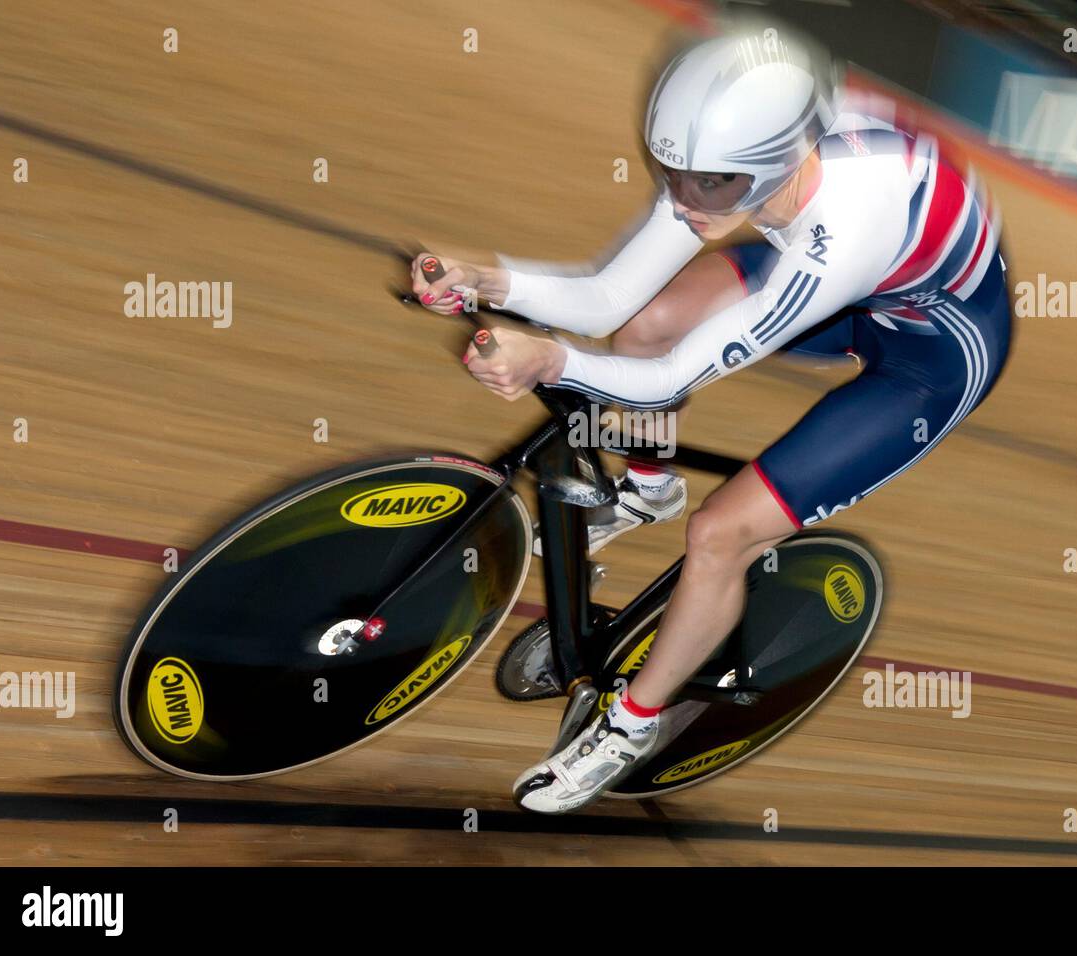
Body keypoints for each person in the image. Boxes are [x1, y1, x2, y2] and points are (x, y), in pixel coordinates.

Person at [411, 30, 1012, 814]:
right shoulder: (737, 157)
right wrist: (481, 279)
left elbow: (672, 379)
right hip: (858, 267)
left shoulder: (838, 232)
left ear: (767, 168)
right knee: (647, 325)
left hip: (929, 355)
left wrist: (549, 362)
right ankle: (651, 488)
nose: (682, 201)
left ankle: (631, 724)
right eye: (671, 176)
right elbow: (608, 300)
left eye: (709, 186)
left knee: (723, 532)